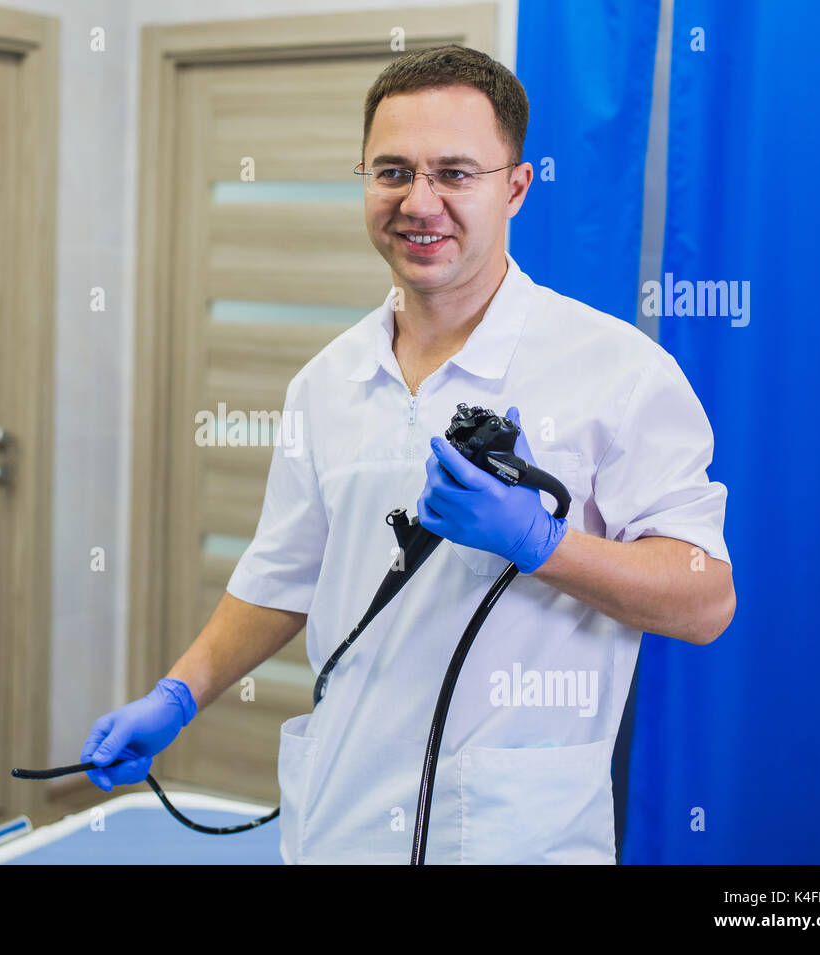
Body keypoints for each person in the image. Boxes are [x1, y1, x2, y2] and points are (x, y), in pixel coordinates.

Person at [80, 45, 736, 864]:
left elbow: (708, 601)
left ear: (516, 188)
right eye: (392, 171)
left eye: (455, 173)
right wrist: (181, 694)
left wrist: (542, 544)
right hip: (343, 823)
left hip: (512, 834)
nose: (419, 202)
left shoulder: (617, 372)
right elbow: (284, 576)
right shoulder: (326, 383)